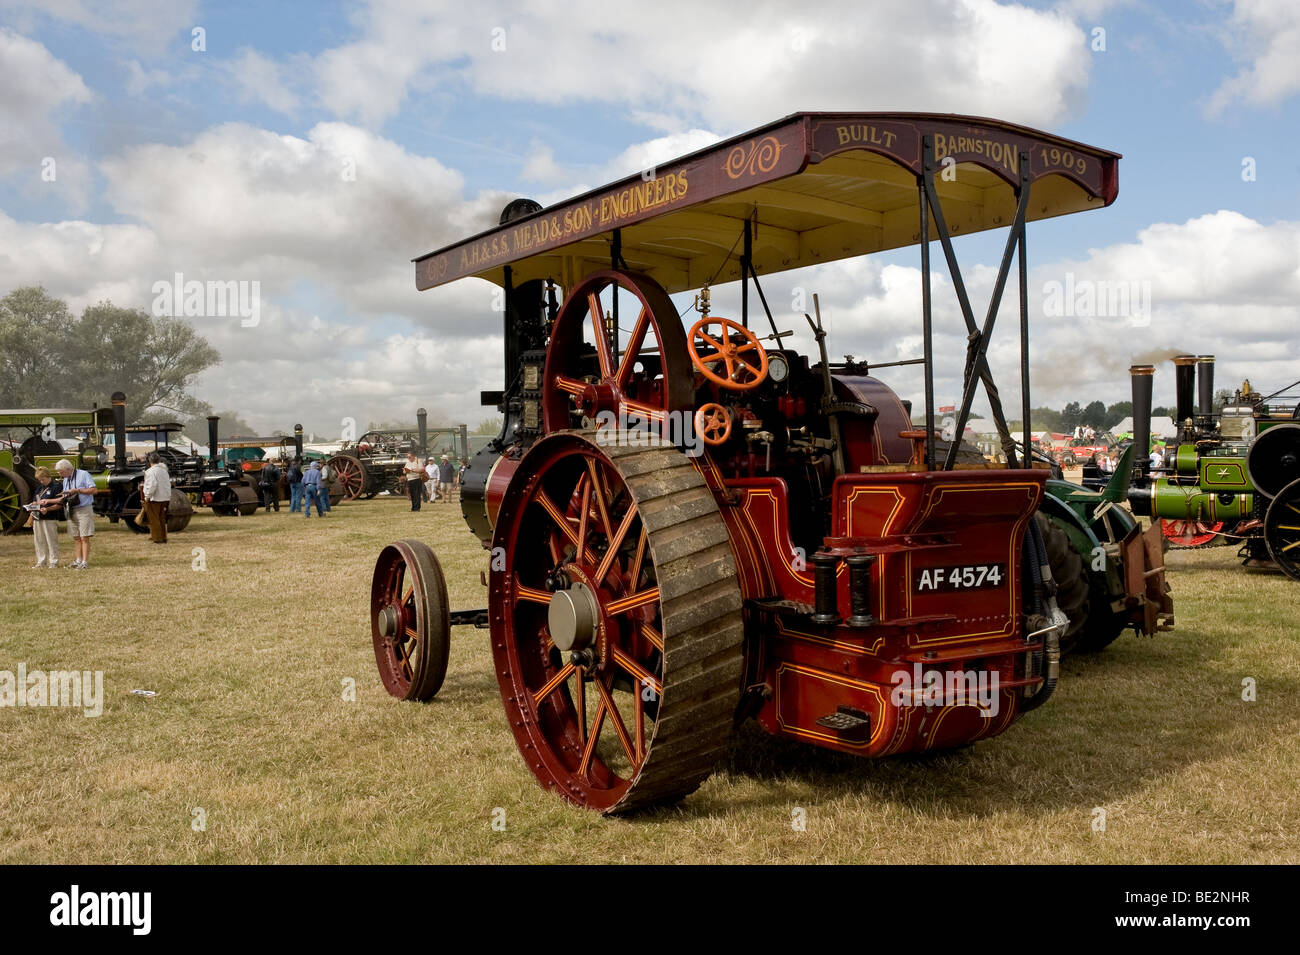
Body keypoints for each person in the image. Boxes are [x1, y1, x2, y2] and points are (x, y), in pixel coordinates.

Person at [54, 459, 96, 569]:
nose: (60, 474)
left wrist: (77, 490)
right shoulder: (65, 479)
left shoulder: (83, 474)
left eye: (61, 472)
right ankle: (78, 560)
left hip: (84, 509)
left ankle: (84, 562)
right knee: (76, 537)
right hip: (72, 509)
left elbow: (93, 490)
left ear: (68, 469)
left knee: (84, 537)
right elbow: (68, 494)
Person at [28, 466, 64, 568]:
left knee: (51, 540)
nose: (41, 481)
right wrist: (32, 505)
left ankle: (54, 561)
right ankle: (41, 561)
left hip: (50, 518)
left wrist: (48, 509)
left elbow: (59, 504)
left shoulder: (56, 487)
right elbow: (36, 500)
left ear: (48, 476)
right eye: (39, 480)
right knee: (39, 540)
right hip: (38, 517)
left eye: (42, 479)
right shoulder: (39, 488)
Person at [142, 451, 172, 544]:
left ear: (150, 462)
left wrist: (147, 496)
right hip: (165, 497)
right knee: (161, 518)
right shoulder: (164, 471)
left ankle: (157, 538)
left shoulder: (150, 472)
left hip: (155, 498)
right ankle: (163, 537)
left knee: (154, 519)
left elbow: (152, 485)